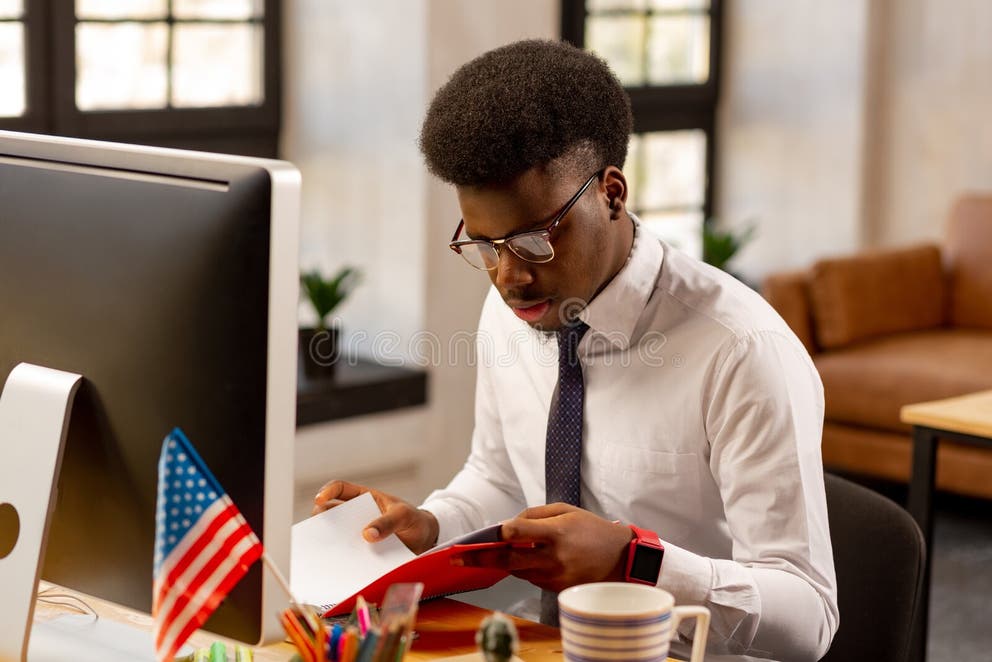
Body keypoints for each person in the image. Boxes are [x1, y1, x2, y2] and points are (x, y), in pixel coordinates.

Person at [313, 39, 837, 661]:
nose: (508, 276)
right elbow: (500, 477)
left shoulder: (742, 352)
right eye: (485, 245)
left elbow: (809, 618)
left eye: (533, 240)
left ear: (611, 192)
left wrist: (634, 560)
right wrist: (428, 528)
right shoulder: (515, 309)